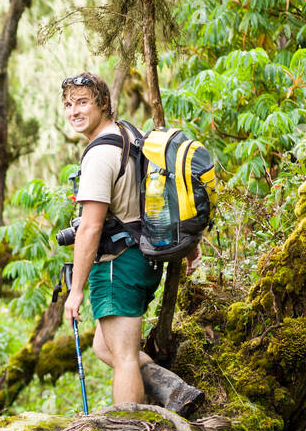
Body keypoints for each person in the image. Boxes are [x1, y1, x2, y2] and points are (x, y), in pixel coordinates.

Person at [59, 72, 200, 406]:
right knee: (104, 347)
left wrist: (75, 291)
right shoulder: (130, 134)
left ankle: (133, 430)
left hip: (117, 266)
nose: (74, 111)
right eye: (68, 105)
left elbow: (90, 228)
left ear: (103, 103)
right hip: (143, 259)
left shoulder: (98, 155)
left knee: (123, 357)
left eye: (82, 102)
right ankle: (174, 391)